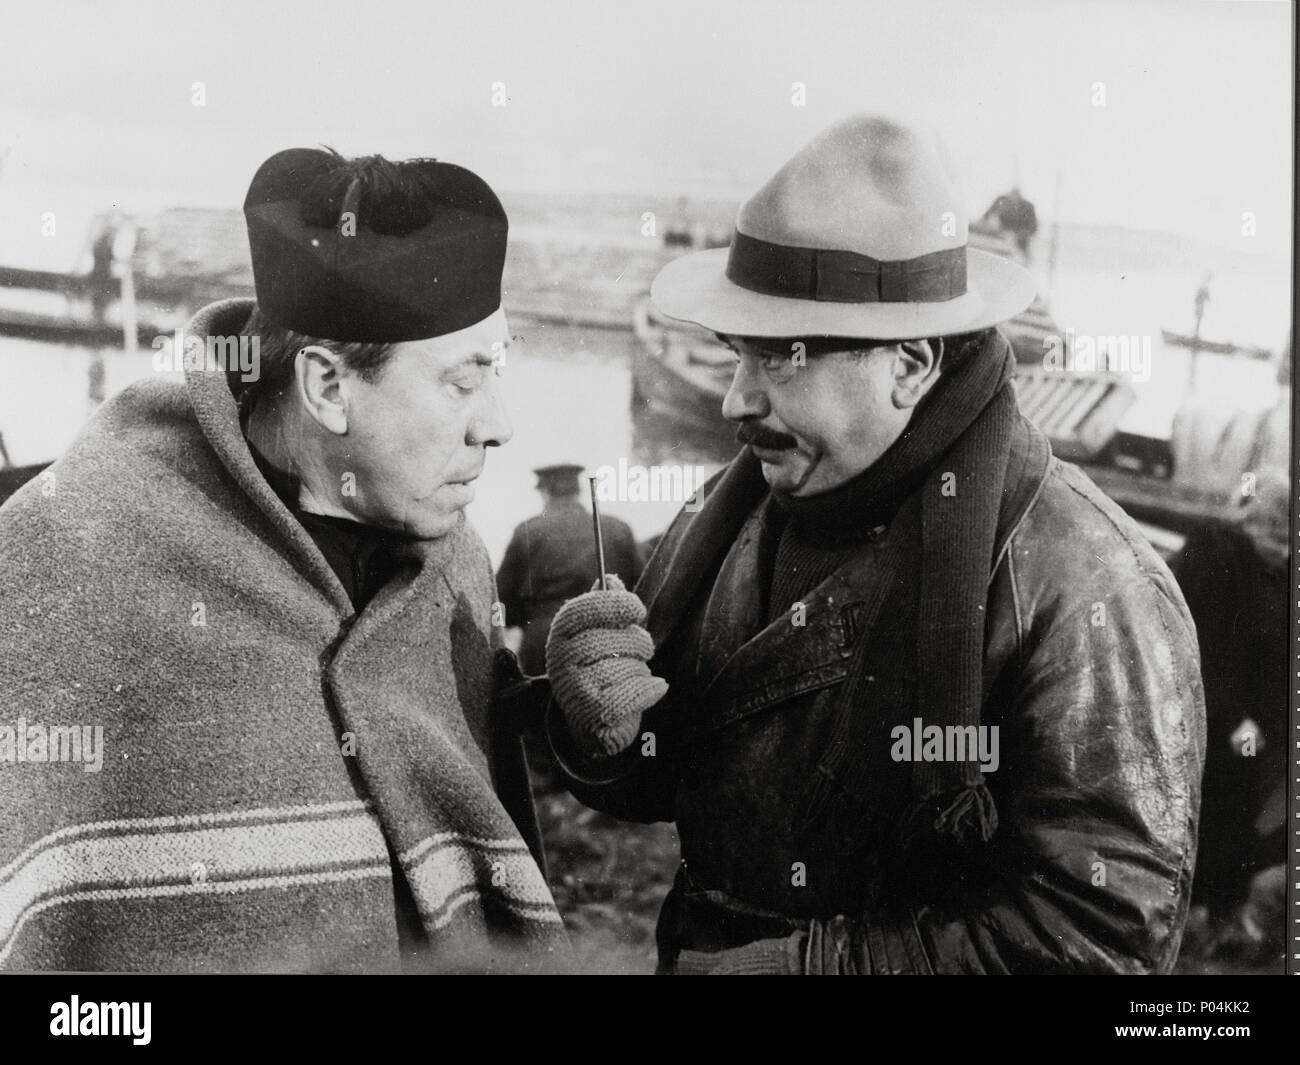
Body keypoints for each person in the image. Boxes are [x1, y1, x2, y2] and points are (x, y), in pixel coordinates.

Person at [542, 114, 1206, 974]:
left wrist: (811, 969)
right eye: (737, 352)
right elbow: (679, 778)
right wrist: (598, 719)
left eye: (782, 355)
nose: (733, 400)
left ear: (911, 363)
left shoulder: (1090, 586)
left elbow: (1103, 935)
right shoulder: (729, 511)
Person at [0, 148, 567, 973]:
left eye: (500, 366)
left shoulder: (454, 559)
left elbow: (468, 779)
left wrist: (563, 710)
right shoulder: (69, 553)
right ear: (328, 388)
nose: (501, 424)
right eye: (461, 382)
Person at [1170, 469, 1287, 952]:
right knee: (1210, 810)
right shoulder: (1216, 552)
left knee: (1239, 811)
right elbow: (1192, 642)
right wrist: (1231, 717)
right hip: (1211, 722)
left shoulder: (1273, 570)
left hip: (1254, 733)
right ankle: (1193, 920)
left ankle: (1221, 920)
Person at [497, 464, 643, 676]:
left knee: (545, 703)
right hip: (606, 636)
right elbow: (641, 585)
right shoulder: (617, 527)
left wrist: (521, 621)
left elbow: (504, 597)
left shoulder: (527, 531)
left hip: (546, 637)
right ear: (578, 491)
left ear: (545, 492)